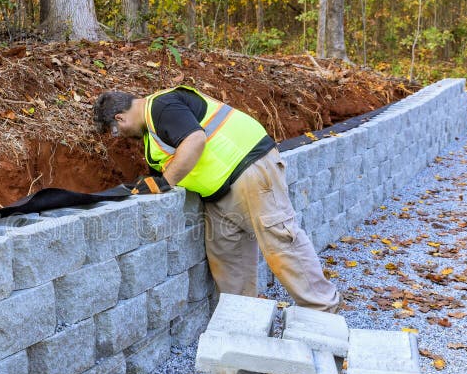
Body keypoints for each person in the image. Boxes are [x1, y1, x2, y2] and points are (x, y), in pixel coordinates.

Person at [93, 85, 340, 313]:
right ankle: (244, 325)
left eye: (115, 132)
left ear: (119, 118)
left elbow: (194, 139)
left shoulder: (161, 106)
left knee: (281, 241)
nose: (120, 137)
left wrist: (166, 181)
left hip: (249, 170)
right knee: (228, 259)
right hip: (219, 195)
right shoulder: (152, 131)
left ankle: (324, 312)